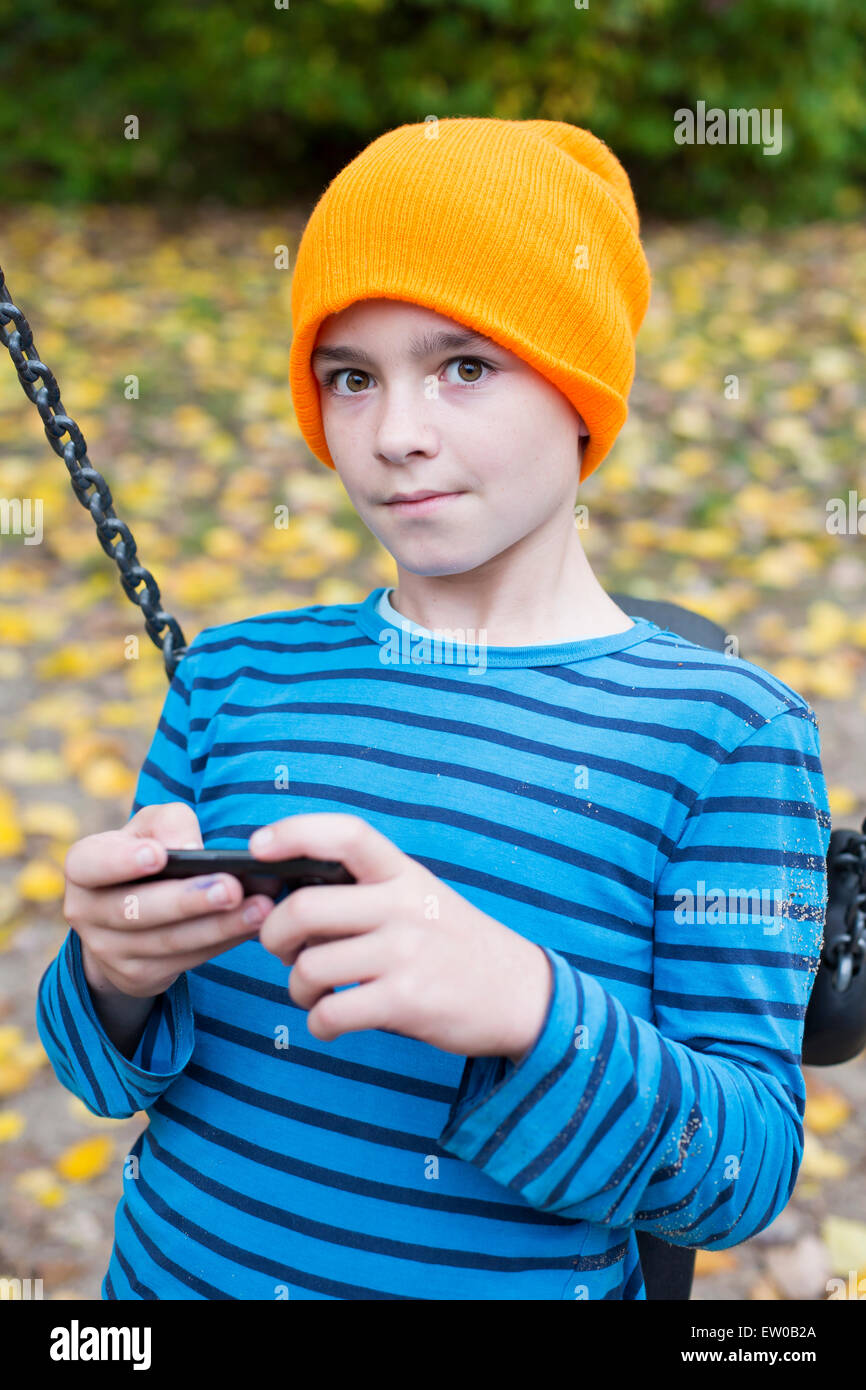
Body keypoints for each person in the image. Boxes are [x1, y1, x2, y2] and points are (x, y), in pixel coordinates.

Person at [37, 117, 831, 1300]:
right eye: (350, 377)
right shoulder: (234, 679)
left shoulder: (725, 734)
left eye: (463, 365)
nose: (395, 434)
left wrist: (529, 1006)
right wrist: (113, 972)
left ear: (577, 390)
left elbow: (740, 1170)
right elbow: (107, 1079)